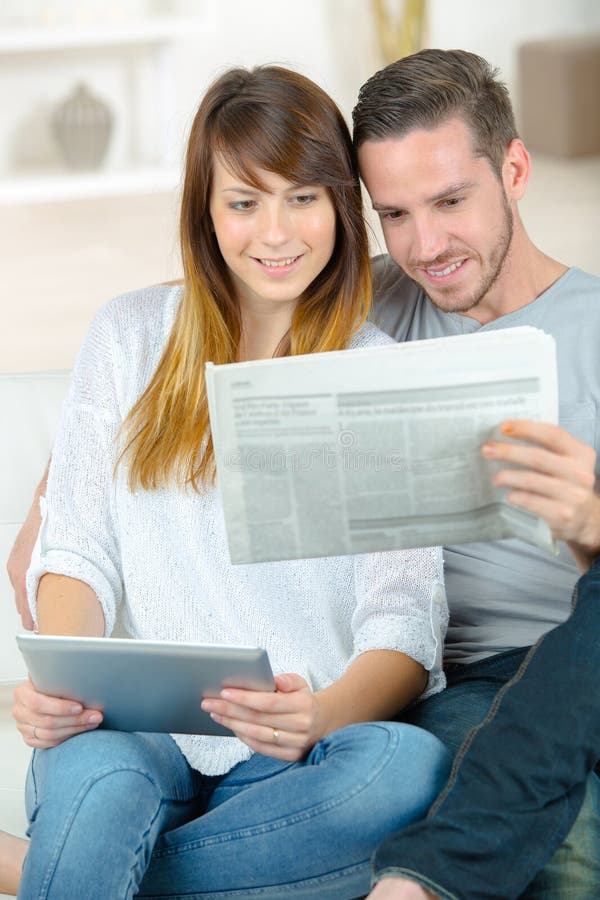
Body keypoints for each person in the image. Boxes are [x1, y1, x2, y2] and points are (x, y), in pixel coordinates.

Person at [0, 65, 452, 899]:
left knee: (407, 771)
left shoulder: (380, 376)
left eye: (303, 198)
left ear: (340, 208)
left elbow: (404, 614)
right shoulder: (130, 335)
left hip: (297, 752)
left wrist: (321, 715)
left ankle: (41, 872)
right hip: (135, 736)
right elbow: (75, 548)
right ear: (206, 216)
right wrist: (68, 685)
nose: (274, 233)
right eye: (243, 202)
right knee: (96, 788)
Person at [351, 48, 600, 897]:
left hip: (584, 650)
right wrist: (55, 490)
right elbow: (184, 320)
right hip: (469, 674)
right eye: (395, 214)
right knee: (566, 854)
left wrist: (590, 526)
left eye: (451, 201)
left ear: (516, 169)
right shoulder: (366, 307)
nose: (427, 246)